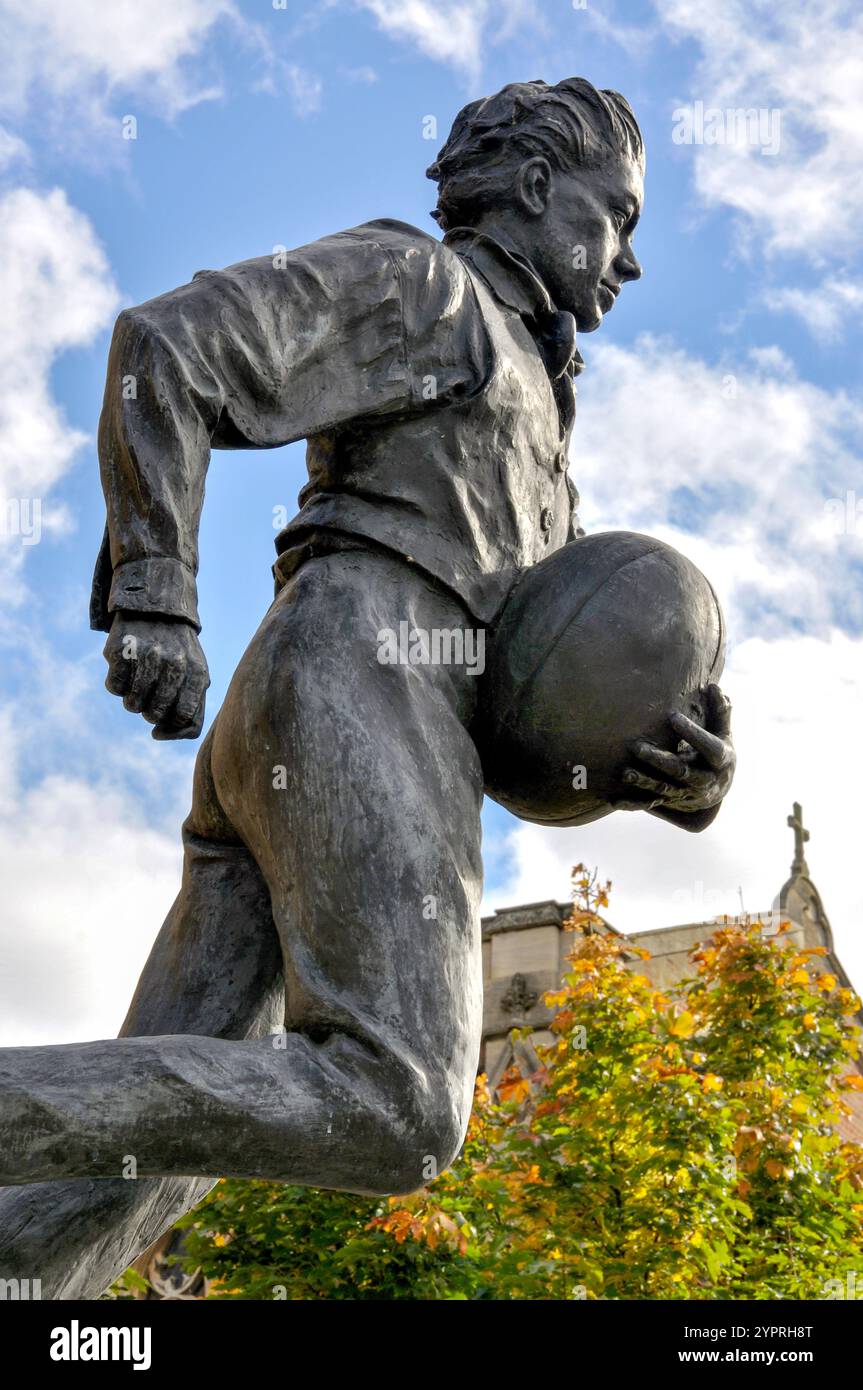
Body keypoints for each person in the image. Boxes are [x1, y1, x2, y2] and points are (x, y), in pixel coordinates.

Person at [0, 77, 734, 1298]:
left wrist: (679, 776)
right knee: (398, 1102)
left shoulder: (541, 418)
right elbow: (166, 348)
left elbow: (542, 696)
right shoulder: (431, 290)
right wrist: (154, 590)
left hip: (361, 708)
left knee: (141, 1156)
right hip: (360, 672)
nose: (632, 264)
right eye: (619, 218)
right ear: (540, 192)